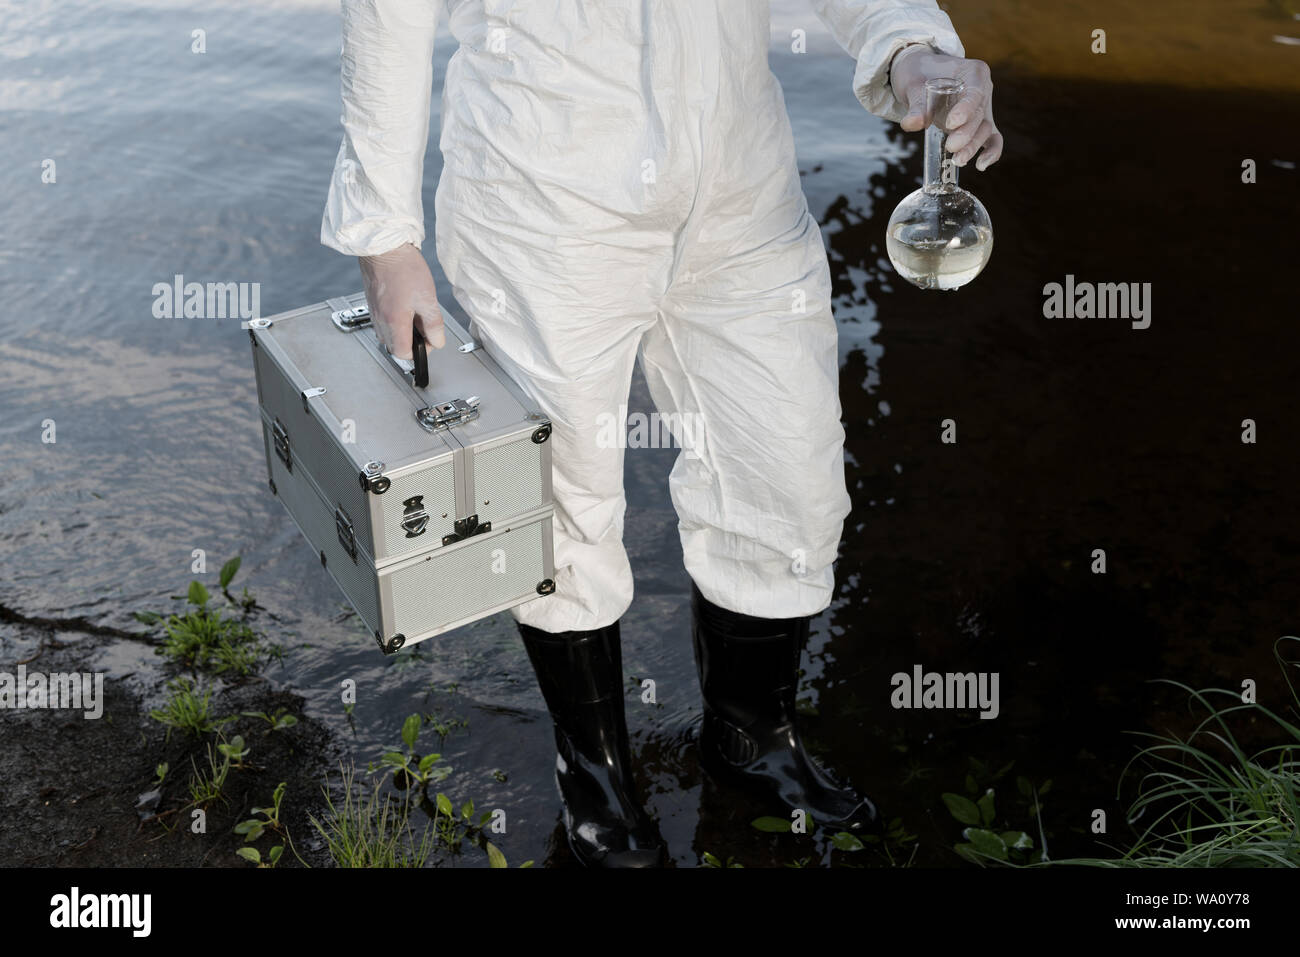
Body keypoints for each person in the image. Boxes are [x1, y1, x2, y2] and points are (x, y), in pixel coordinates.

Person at [322, 0, 1002, 868]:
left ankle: (753, 735)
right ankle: (595, 775)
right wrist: (384, 235)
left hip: (740, 188)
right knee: (563, 499)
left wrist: (909, 44)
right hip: (542, 194)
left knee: (787, 466)